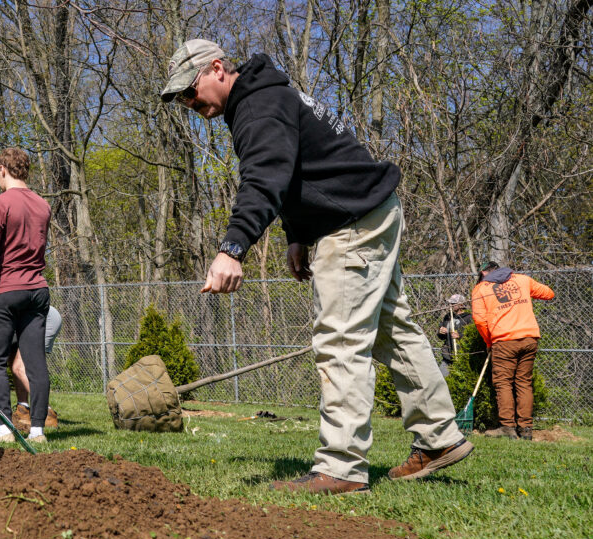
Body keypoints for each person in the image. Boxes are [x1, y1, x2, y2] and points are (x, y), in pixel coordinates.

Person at [161, 40, 471, 494]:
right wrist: (297, 236)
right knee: (392, 328)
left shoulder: (258, 105)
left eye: (190, 91)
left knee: (340, 338)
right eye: (181, 100)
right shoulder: (267, 96)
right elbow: (300, 170)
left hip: (352, 221)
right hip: (371, 208)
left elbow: (265, 177)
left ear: (216, 68)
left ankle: (341, 468)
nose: (190, 104)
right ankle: (440, 438)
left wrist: (232, 248)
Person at [0, 147, 51, 444]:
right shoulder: (43, 205)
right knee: (36, 362)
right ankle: (38, 431)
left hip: (5, 290)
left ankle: (5, 428)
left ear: (2, 170)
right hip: (38, 290)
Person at [471, 262, 555, 440]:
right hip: (529, 337)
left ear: (483, 273)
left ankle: (507, 427)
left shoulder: (480, 289)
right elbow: (549, 293)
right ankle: (526, 429)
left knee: (503, 383)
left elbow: (479, 321)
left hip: (504, 340)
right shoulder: (522, 280)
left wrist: (489, 341)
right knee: (524, 382)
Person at [437, 293, 472, 377]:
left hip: (463, 355)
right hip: (448, 355)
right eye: (449, 304)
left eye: (452, 304)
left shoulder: (468, 318)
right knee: (441, 378)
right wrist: (440, 332)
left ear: (460, 305)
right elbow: (441, 337)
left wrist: (460, 336)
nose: (450, 306)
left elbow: (471, 336)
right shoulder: (447, 317)